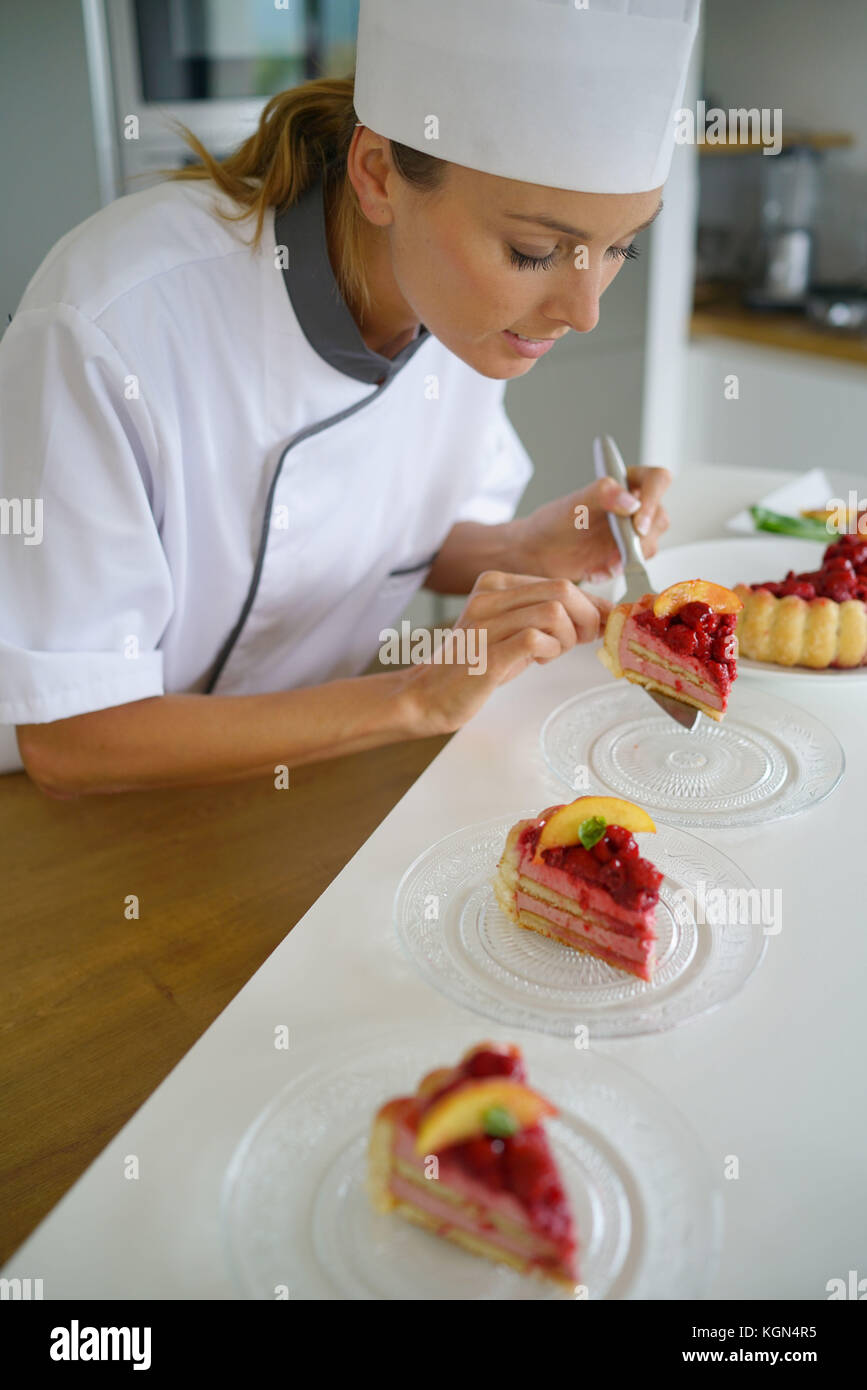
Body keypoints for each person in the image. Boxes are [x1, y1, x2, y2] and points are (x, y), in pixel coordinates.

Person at [0, 0, 699, 796]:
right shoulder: (110, 321)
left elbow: (357, 538)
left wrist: (516, 551)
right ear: (376, 176)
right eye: (533, 252)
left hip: (297, 778)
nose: (583, 311)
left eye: (619, 248)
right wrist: (412, 696)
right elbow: (69, 739)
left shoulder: (460, 315)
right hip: (64, 818)